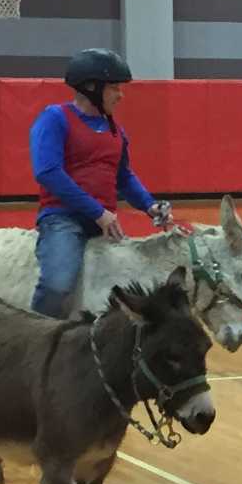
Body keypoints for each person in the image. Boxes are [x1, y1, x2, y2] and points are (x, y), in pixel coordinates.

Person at [28, 48, 173, 319]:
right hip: (63, 220)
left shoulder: (116, 130)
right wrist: (98, 212)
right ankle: (33, 336)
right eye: (115, 88)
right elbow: (48, 172)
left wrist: (151, 206)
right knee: (57, 285)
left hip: (104, 223)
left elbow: (124, 177)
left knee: (132, 286)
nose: (121, 95)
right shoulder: (55, 118)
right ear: (92, 87)